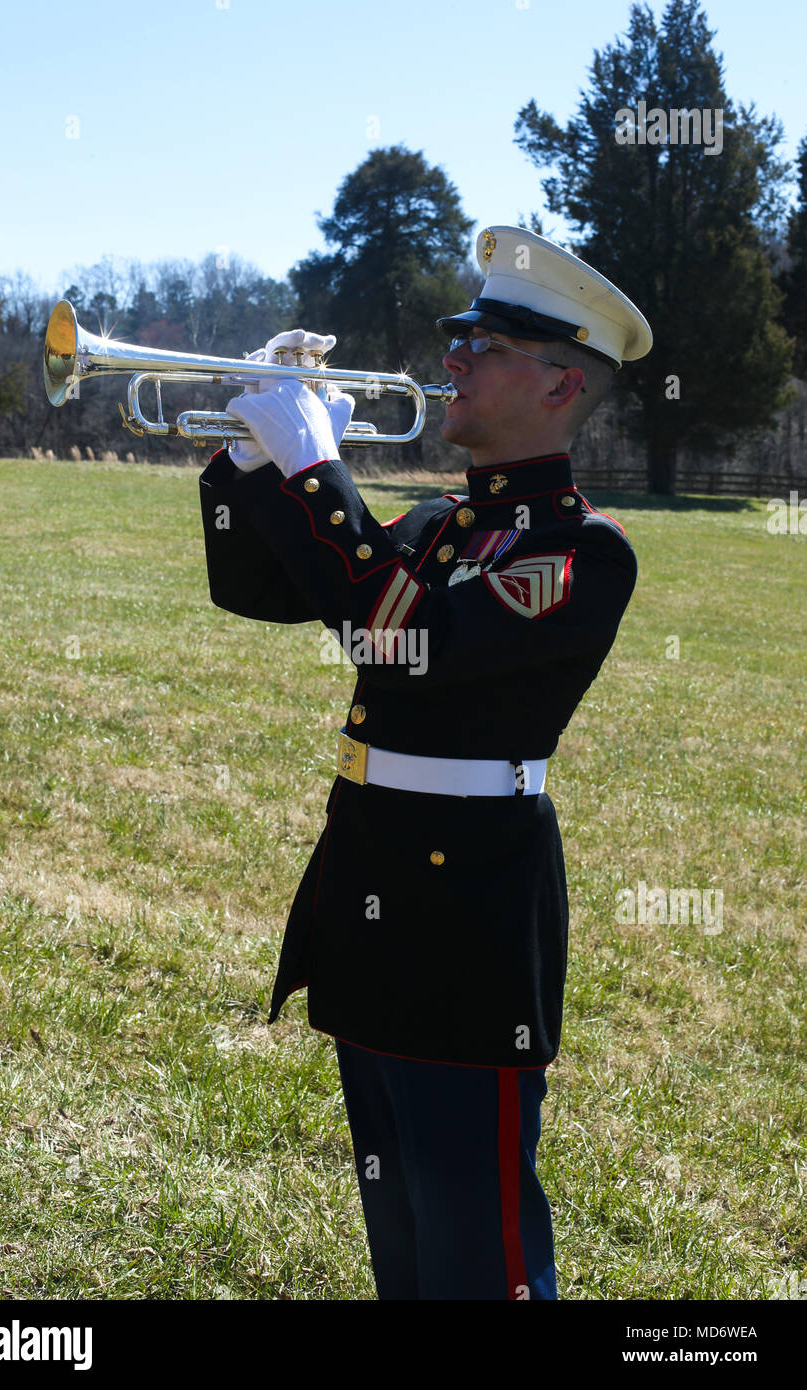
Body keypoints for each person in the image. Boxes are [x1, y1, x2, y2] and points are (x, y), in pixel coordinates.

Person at [198, 225, 652, 1300]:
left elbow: (394, 643)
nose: (451, 359)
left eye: (481, 346)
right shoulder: (442, 523)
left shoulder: (579, 551)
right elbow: (253, 587)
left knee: (475, 1243)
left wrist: (316, 472)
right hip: (375, 884)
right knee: (399, 1234)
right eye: (456, 339)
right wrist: (249, 462)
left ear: (555, 384)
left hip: (472, 921)